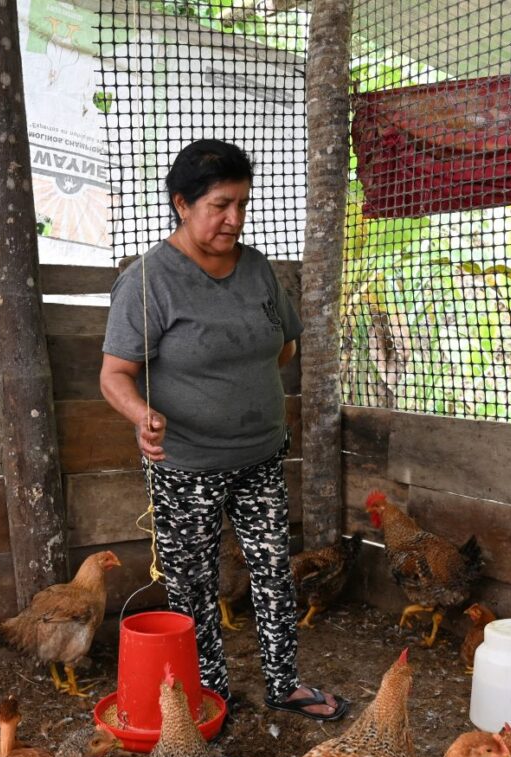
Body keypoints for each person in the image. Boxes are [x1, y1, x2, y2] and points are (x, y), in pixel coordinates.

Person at [99, 139, 349, 722]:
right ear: (182, 205)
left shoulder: (257, 269)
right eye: (220, 205)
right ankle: (209, 695)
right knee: (193, 585)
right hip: (185, 465)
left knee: (272, 571)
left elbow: (283, 344)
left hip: (260, 456)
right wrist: (142, 415)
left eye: (241, 203)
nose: (234, 218)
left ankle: (284, 683)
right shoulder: (148, 281)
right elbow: (115, 374)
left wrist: (239, 389)